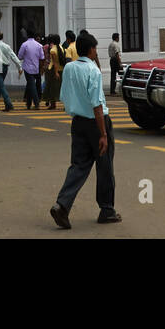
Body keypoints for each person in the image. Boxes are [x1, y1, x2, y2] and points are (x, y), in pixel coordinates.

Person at [50, 30, 120, 228]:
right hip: (97, 122)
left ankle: (62, 205)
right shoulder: (93, 70)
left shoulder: (70, 68)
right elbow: (97, 104)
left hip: (78, 122)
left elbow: (65, 97)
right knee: (104, 166)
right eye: (95, 48)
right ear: (90, 50)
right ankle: (107, 209)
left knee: (79, 165)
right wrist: (103, 134)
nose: (96, 52)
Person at [18, 32, 44, 109]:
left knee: (31, 85)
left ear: (27, 35)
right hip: (36, 67)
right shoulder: (39, 45)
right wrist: (41, 68)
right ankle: (28, 104)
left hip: (27, 68)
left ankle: (36, 103)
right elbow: (42, 57)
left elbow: (19, 56)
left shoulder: (24, 44)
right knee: (30, 84)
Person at [42, 35, 64, 110]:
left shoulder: (52, 50)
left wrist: (56, 72)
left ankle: (52, 104)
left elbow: (54, 63)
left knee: (51, 87)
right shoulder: (61, 48)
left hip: (52, 70)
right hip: (61, 69)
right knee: (59, 87)